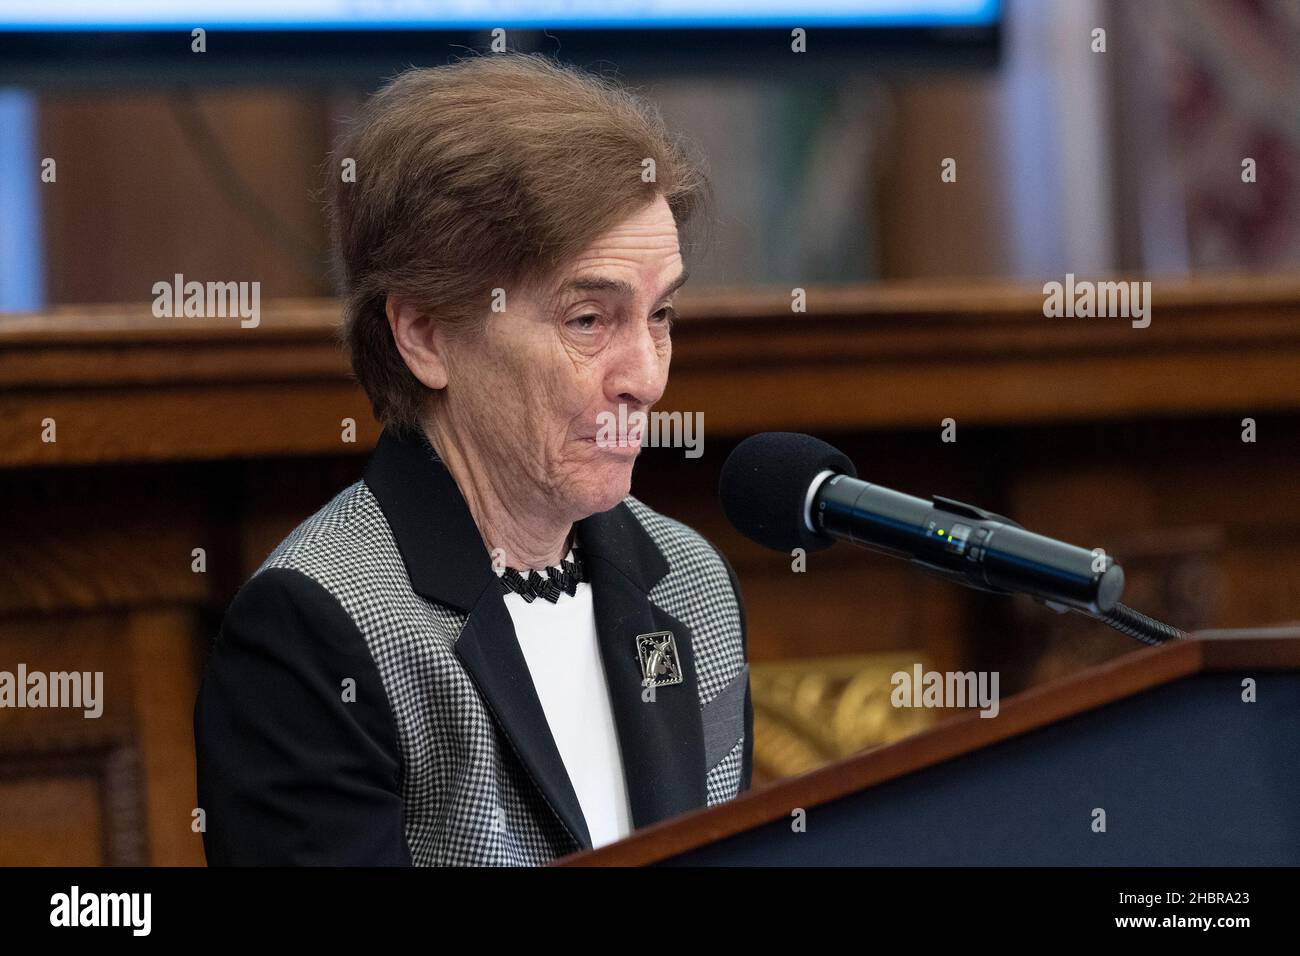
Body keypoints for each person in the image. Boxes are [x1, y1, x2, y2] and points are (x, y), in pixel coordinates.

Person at [193, 53, 752, 866]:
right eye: (589, 320)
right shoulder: (316, 631)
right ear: (424, 334)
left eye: (660, 314)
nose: (647, 378)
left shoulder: (691, 584)